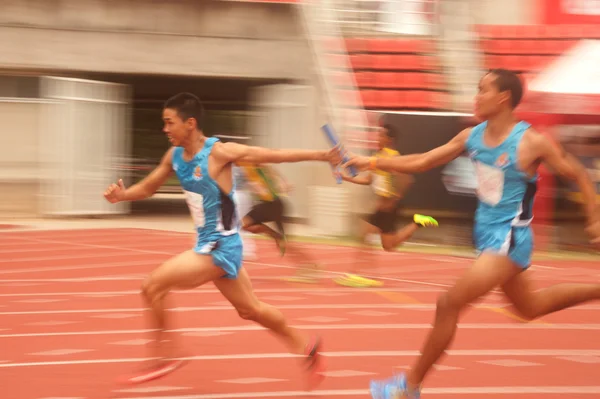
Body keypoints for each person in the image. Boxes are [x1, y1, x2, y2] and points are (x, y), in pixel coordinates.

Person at [341, 69, 600, 398]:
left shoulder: (531, 142)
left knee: (448, 303)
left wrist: (594, 217)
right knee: (529, 308)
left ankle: (409, 387)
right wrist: (371, 162)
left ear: (503, 97)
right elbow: (423, 161)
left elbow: (576, 173)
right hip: (486, 236)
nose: (476, 97)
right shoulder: (472, 137)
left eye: (482, 90)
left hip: (509, 239)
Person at [103, 92, 333, 387]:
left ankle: (166, 355)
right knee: (250, 309)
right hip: (208, 245)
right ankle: (307, 346)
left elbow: (272, 154)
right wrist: (123, 195)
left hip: (221, 247)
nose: (165, 129)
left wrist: (322, 156)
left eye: (169, 122)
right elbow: (148, 188)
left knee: (152, 286)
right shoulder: (173, 157)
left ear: (190, 123)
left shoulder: (219, 153)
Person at [335, 123, 439, 288]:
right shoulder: (378, 157)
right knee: (389, 245)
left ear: (389, 139)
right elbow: (368, 180)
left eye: (381, 135)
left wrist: (393, 199)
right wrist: (347, 178)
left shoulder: (394, 158)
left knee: (364, 234)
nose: (378, 138)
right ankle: (417, 223)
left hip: (388, 206)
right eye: (378, 135)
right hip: (381, 206)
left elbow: (407, 179)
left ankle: (362, 275)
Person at [238, 162, 322, 283]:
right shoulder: (243, 168)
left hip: (272, 204)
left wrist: (283, 181)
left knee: (244, 224)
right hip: (269, 204)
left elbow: (268, 166)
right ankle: (311, 265)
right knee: (284, 243)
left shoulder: (252, 163)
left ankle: (311, 266)